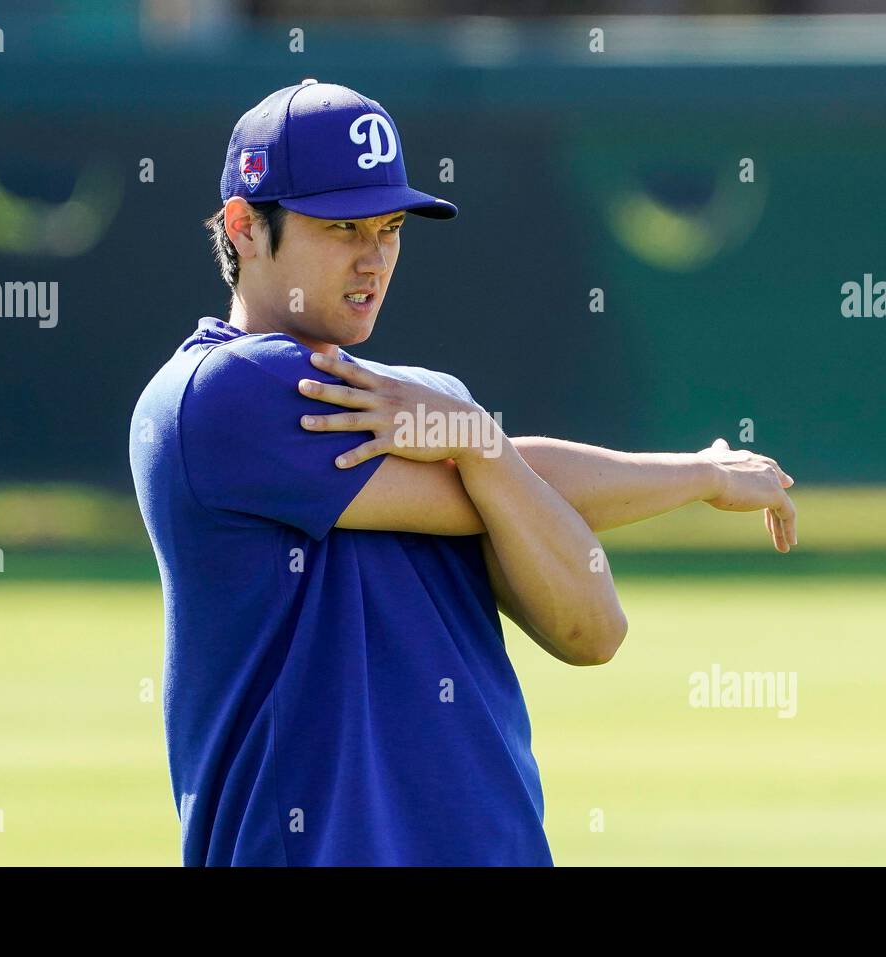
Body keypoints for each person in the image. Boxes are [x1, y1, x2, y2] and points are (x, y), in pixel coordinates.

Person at [129, 79, 797, 866]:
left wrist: (480, 444)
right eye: (341, 225)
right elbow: (484, 489)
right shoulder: (217, 393)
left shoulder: (435, 412)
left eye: (388, 227)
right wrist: (691, 475)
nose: (373, 258)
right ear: (244, 227)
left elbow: (594, 630)